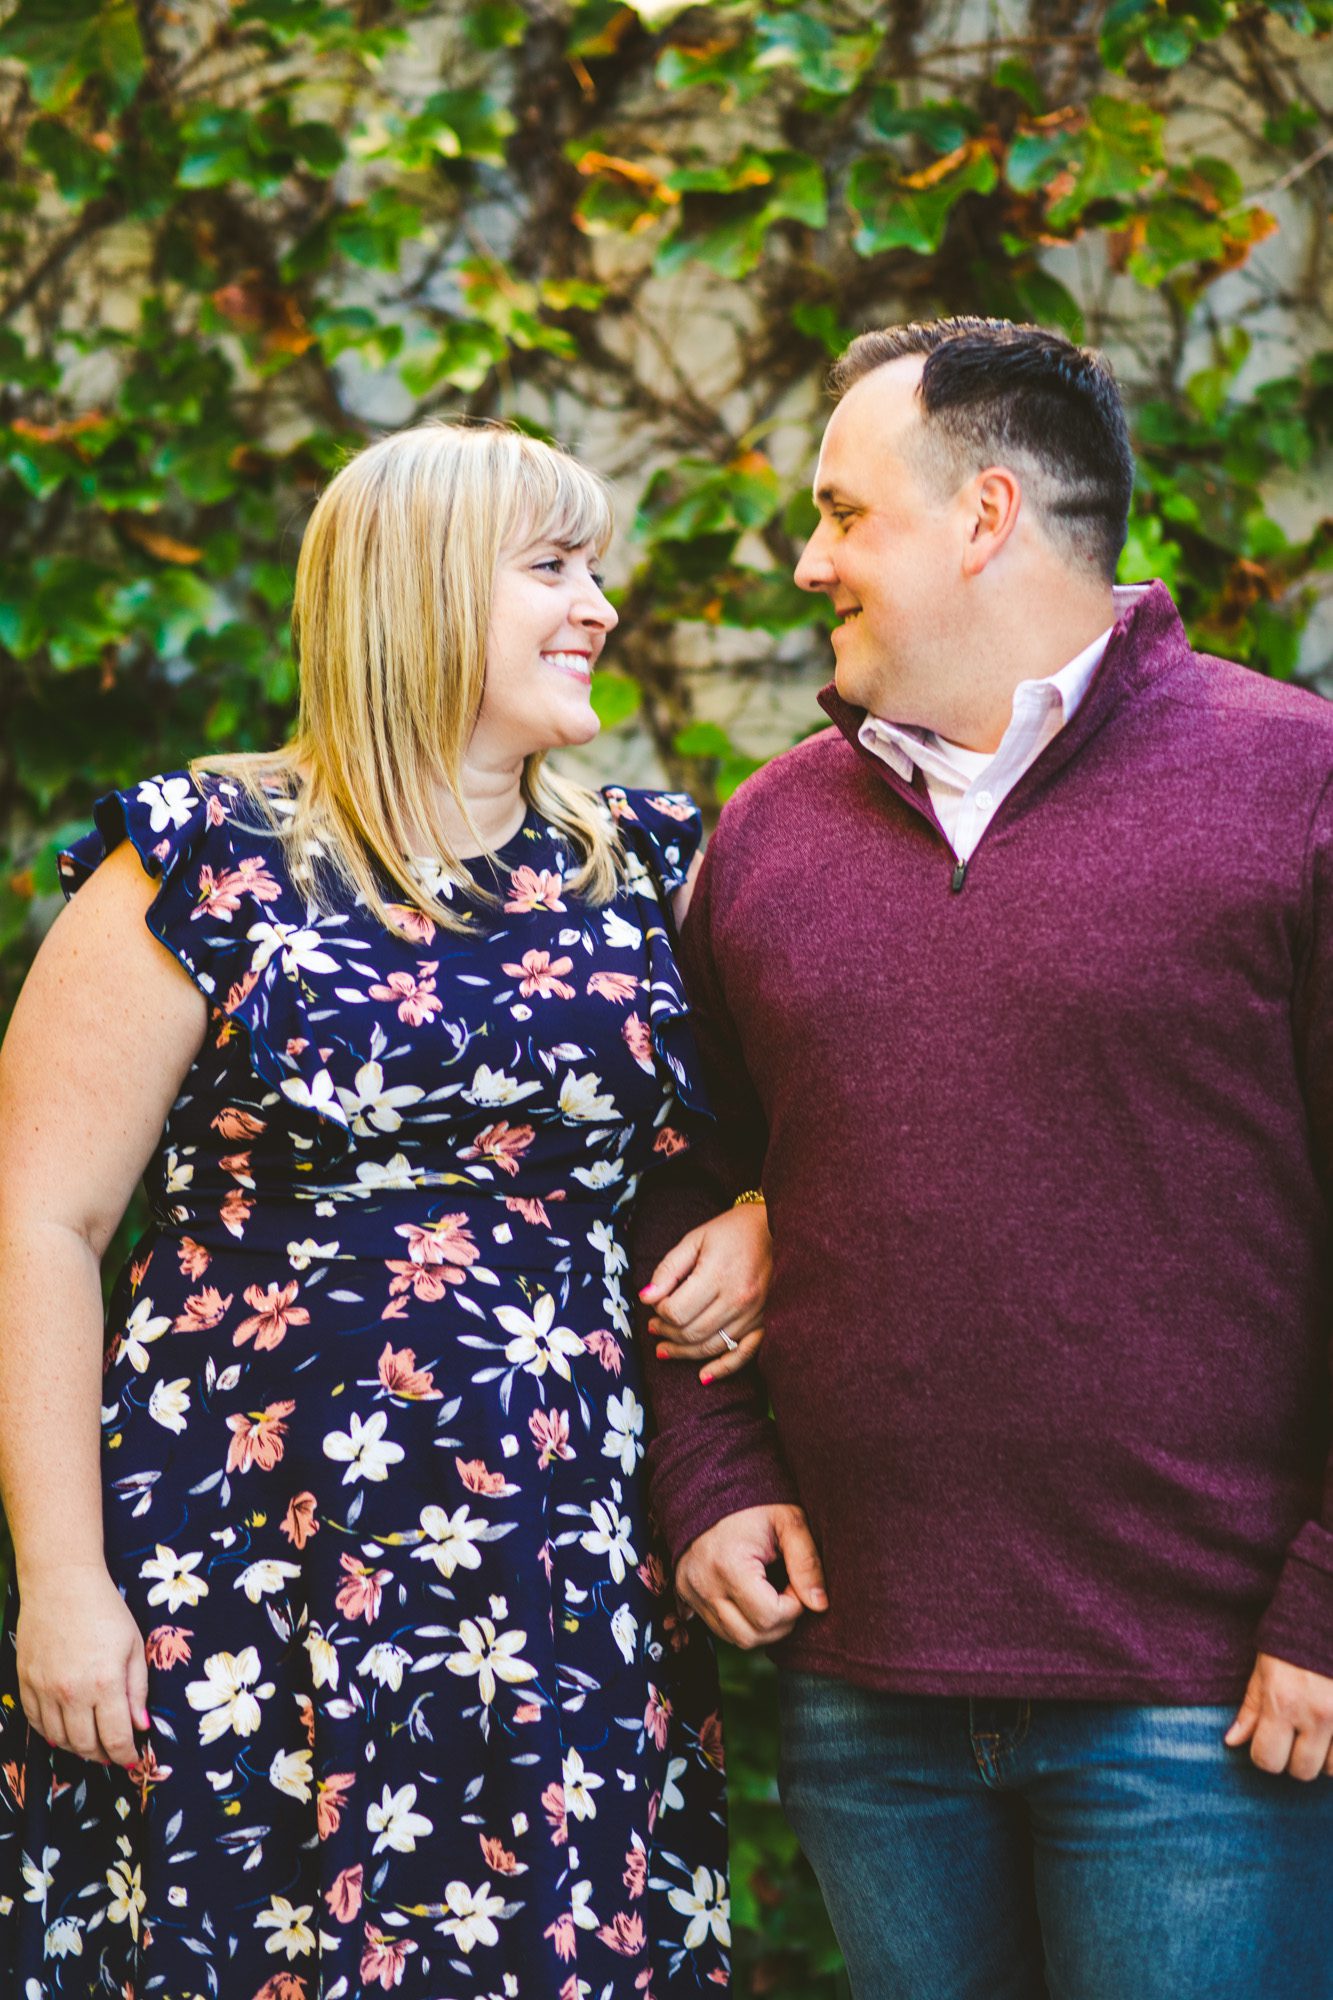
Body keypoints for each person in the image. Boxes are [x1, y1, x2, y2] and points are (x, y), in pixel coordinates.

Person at [0, 419, 769, 1999]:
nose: (598, 606)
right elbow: (40, 1227)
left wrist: (770, 1214)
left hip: (553, 1568)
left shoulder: (650, 869)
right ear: (418, 594)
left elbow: (858, 1121)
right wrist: (64, 1583)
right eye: (550, 568)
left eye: (594, 567)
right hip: (243, 1559)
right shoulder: (205, 864)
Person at [634, 318, 1333, 2000]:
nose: (808, 562)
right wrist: (714, 1476)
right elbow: (680, 1168)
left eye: (840, 514)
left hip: (1203, 1702)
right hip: (865, 1693)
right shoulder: (770, 830)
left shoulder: (1292, 787)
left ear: (983, 515)